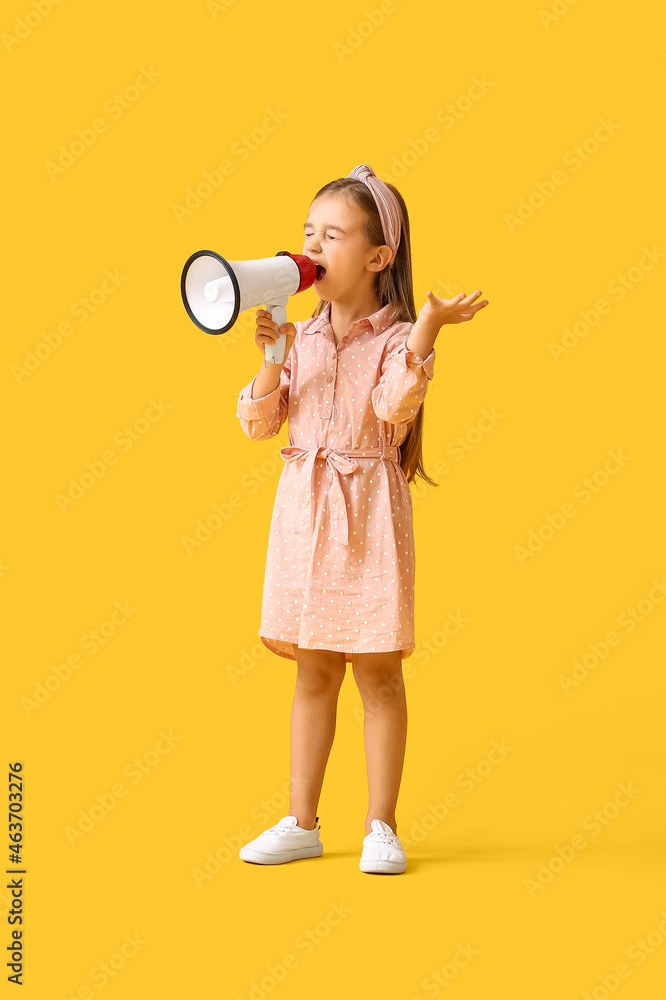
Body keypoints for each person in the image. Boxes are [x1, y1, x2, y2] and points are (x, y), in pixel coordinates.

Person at [235, 164, 488, 874]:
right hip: (303, 519)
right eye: (308, 232)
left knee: (377, 675)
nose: (312, 246)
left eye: (332, 234)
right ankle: (301, 820)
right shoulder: (301, 336)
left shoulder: (393, 337)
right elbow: (258, 424)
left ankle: (381, 825)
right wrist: (270, 358)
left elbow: (390, 411)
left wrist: (429, 329)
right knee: (312, 673)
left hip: (367, 518)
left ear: (377, 257)